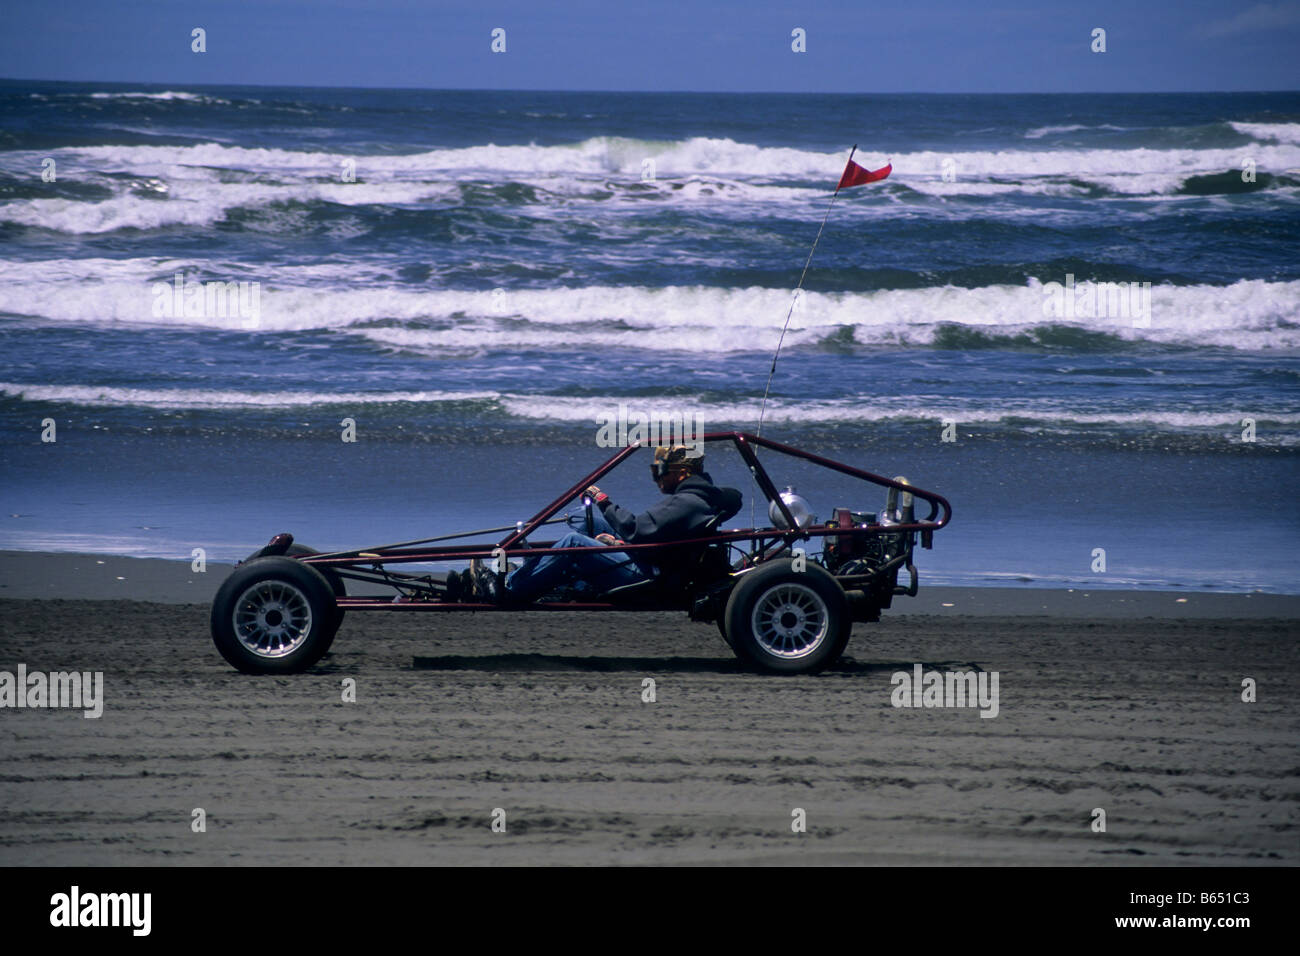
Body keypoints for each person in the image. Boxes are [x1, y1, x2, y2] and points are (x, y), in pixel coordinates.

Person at [468, 445, 741, 603]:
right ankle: (537, 570)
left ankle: (509, 589)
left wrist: (603, 501)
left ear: (683, 473)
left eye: (659, 470)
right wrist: (620, 542)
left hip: (649, 576)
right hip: (651, 557)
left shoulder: (686, 503)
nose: (655, 477)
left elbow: (637, 529)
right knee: (580, 517)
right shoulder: (702, 497)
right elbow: (651, 535)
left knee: (574, 542)